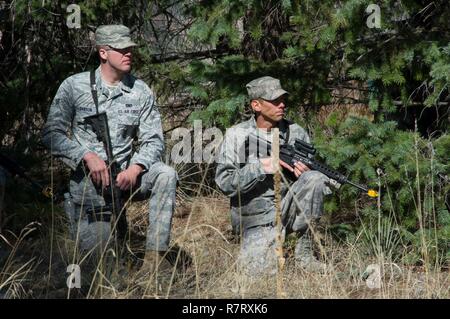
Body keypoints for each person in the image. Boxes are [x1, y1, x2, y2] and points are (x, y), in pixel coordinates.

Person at [42, 25, 177, 274]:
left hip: (127, 177)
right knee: (102, 270)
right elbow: (51, 135)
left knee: (166, 174)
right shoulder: (74, 86)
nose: (128, 54)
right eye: (121, 49)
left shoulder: (140, 91)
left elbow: (154, 140)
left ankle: (156, 257)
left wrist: (136, 167)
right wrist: (86, 156)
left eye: (130, 49)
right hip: (90, 185)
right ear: (103, 53)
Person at [215, 76, 333, 274]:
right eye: (274, 101)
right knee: (261, 273)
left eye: (283, 100)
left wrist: (303, 174)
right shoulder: (236, 135)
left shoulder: (296, 133)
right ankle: (272, 245)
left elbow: (311, 184)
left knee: (315, 178)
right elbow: (225, 183)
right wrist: (260, 167)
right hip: (256, 217)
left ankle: (303, 252)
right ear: (256, 105)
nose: (282, 105)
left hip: (288, 206)